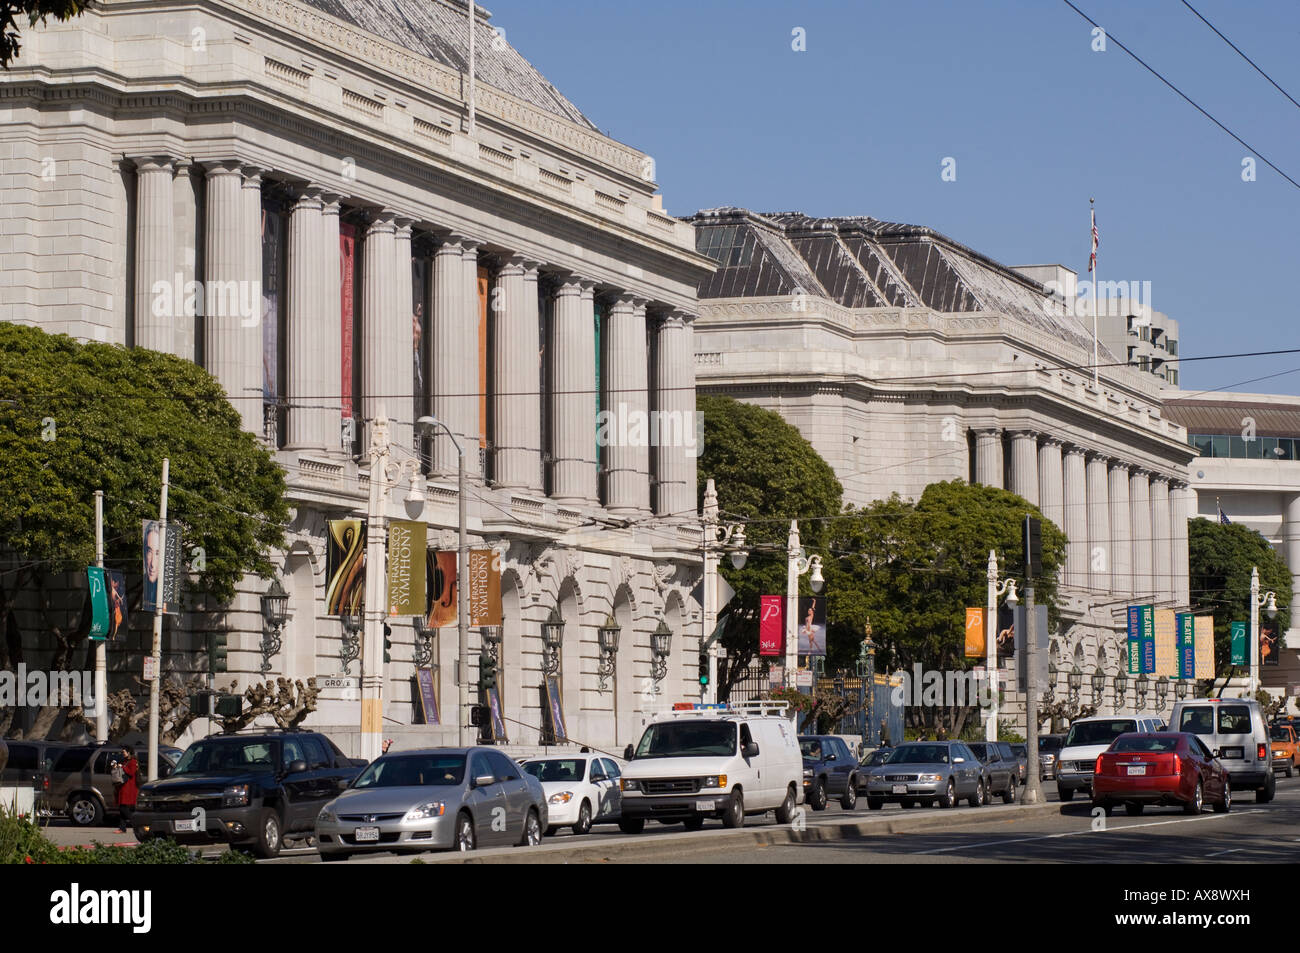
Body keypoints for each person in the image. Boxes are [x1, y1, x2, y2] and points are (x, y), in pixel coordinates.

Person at [117, 746, 139, 834]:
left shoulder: (133, 761)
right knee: (121, 807)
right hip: (123, 786)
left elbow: (131, 773)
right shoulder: (125, 761)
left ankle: (135, 822)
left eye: (124, 752)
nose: (123, 754)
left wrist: (122, 767)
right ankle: (122, 828)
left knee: (123, 808)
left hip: (129, 787)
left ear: (129, 752)